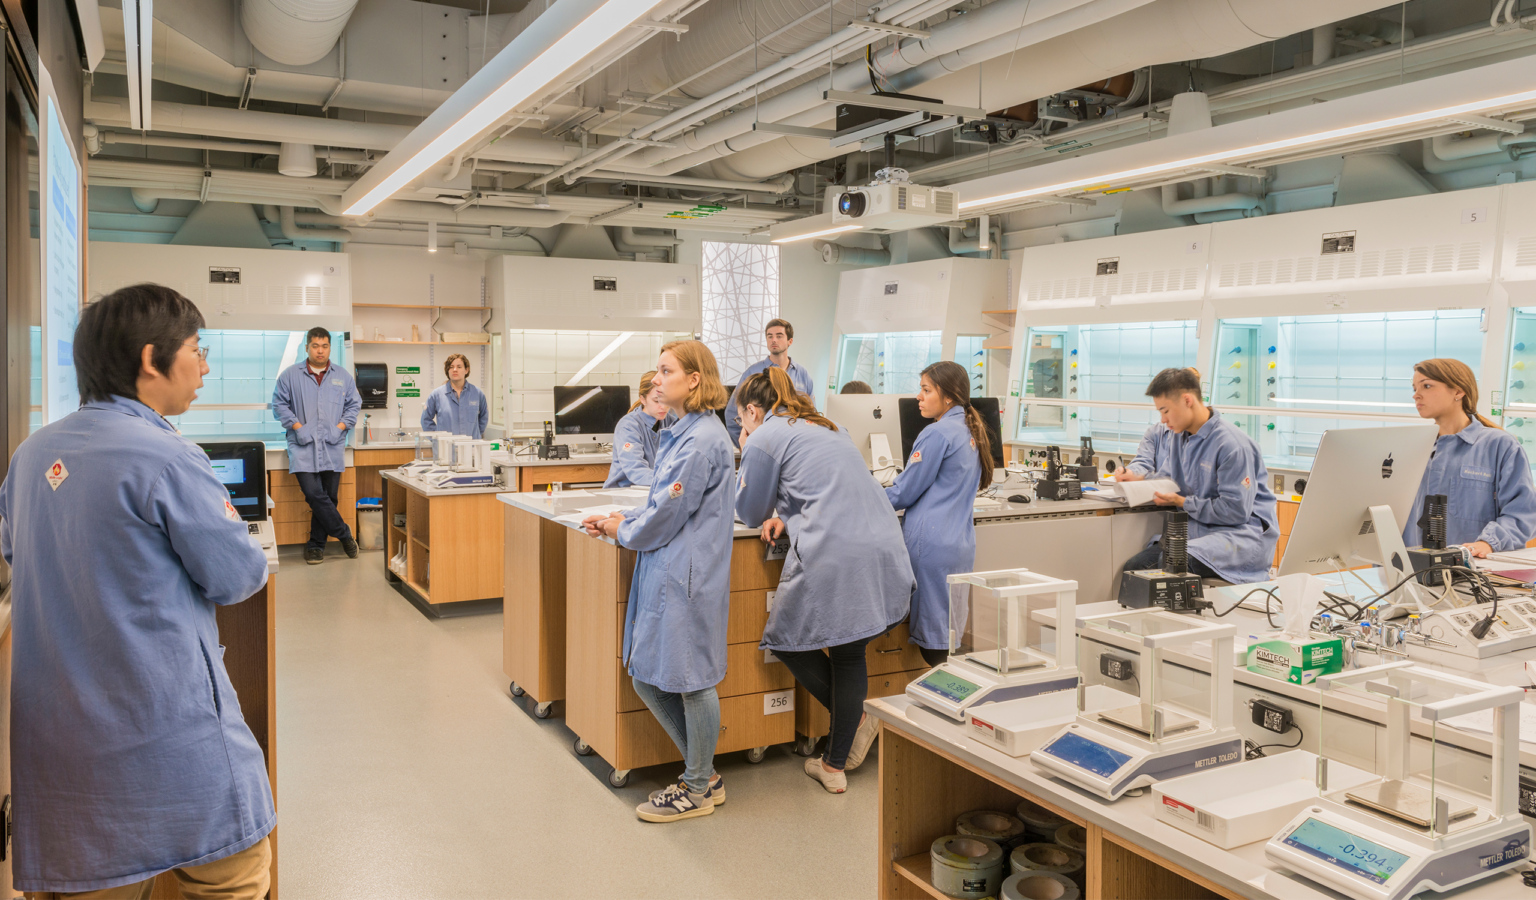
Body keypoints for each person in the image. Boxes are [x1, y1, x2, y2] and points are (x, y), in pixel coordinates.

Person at [0, 283, 274, 896]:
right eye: (197, 350)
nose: (203, 366)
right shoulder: (167, 457)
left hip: (64, 761)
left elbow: (18, 552)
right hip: (165, 739)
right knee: (235, 875)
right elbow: (238, 578)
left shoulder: (29, 455)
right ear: (152, 359)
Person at [735, 367, 913, 793]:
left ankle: (848, 739)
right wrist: (787, 515)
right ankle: (839, 753)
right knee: (850, 651)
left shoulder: (763, 436)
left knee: (785, 641)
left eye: (741, 419)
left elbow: (749, 509)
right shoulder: (829, 426)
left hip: (838, 553)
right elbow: (821, 485)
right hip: (883, 543)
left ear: (754, 411)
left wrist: (747, 449)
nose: (741, 426)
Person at [581, 341, 734, 823]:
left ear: (693, 380)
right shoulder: (678, 430)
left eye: (665, 372)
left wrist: (620, 528)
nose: (655, 381)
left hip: (685, 574)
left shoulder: (701, 439)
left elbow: (668, 511)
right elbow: (659, 499)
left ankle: (695, 786)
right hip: (667, 566)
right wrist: (622, 516)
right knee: (645, 673)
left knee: (692, 681)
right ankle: (704, 772)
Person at [1118, 367, 1277, 584]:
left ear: (1187, 400)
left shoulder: (1232, 445)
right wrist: (1140, 480)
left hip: (1238, 537)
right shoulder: (1179, 437)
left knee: (1167, 563)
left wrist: (1182, 502)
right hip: (1198, 535)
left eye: (1165, 411)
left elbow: (1236, 511)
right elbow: (1169, 479)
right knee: (1135, 568)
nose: (1163, 420)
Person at [885, 361, 994, 666]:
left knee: (934, 644)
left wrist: (864, 499)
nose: (918, 397)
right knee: (949, 634)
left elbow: (904, 492)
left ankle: (958, 706)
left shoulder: (937, 434)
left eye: (926, 389)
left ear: (948, 396)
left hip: (931, 546)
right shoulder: (968, 431)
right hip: (958, 545)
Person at [1403, 358, 1536, 557]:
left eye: (1427, 386)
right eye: (1414, 388)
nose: (1416, 395)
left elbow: (1523, 512)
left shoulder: (1500, 445)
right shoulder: (1412, 449)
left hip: (1478, 572)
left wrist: (1488, 543)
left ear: (1458, 391)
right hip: (1414, 573)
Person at [272, 326, 362, 564]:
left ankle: (316, 546)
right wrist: (297, 427)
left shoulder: (342, 376)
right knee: (314, 494)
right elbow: (279, 405)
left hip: (332, 445)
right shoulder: (290, 375)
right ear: (307, 347)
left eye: (324, 346)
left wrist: (341, 427)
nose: (320, 351)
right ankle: (344, 535)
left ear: (330, 347)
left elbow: (354, 405)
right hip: (303, 446)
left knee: (329, 498)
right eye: (315, 346)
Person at [725, 318, 816, 447]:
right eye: (770, 336)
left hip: (793, 445)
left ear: (790, 341)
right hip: (763, 445)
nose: (773, 340)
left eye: (779, 336)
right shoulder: (752, 373)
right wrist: (745, 446)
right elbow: (732, 413)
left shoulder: (802, 374)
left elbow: (811, 414)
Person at [605, 370, 671, 489]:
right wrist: (669, 481)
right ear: (643, 399)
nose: (663, 406)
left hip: (653, 490)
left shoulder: (671, 422)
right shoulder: (628, 426)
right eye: (656, 400)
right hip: (623, 492)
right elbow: (635, 469)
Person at [420, 352, 489, 438]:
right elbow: (425, 420)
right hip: (445, 448)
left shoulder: (477, 394)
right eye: (451, 367)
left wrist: (475, 435)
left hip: (471, 447)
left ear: (466, 370)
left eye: (459, 367)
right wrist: (437, 439)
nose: (455, 370)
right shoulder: (437, 395)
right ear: (447, 371)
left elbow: (483, 419)